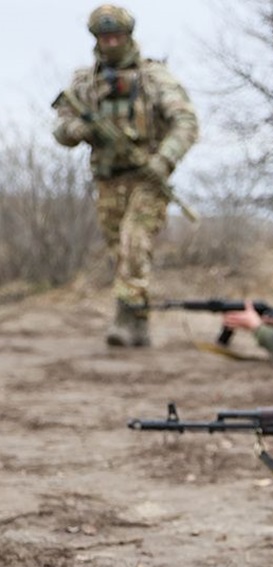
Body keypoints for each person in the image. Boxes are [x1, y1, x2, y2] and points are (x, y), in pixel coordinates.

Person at [52, 4, 198, 348]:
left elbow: (186, 123)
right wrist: (80, 129)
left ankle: (123, 318)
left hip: (148, 178)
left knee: (135, 242)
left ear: (129, 36)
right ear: (96, 39)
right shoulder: (84, 82)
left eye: (117, 35)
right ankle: (140, 325)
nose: (112, 41)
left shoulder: (154, 78)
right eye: (105, 36)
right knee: (123, 253)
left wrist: (163, 160)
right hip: (108, 180)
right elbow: (61, 127)